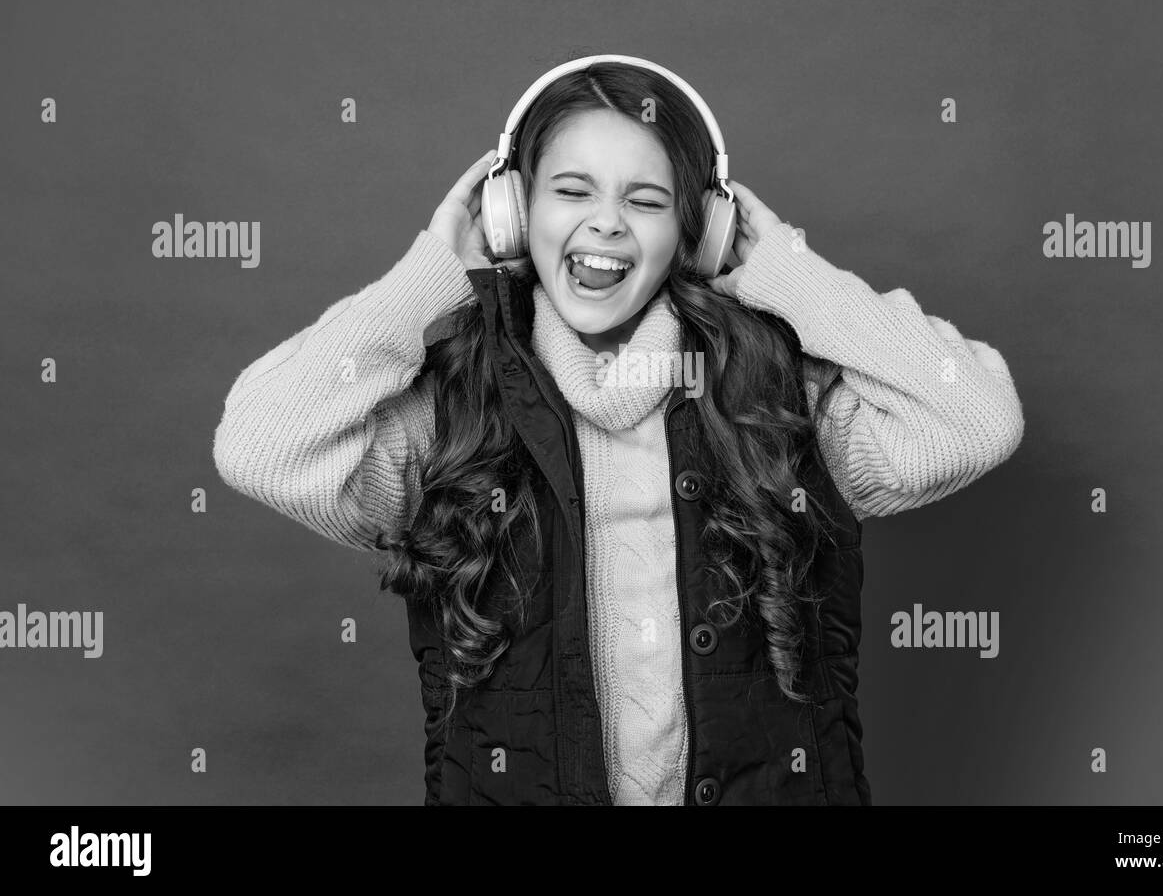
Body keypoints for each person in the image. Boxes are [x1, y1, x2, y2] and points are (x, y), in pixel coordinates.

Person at [212, 59, 1025, 806]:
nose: (606, 224)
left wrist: (790, 273)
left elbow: (976, 417)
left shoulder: (774, 402)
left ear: (697, 234)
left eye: (644, 200)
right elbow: (259, 443)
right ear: (512, 213)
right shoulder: (453, 415)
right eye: (572, 191)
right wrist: (427, 276)